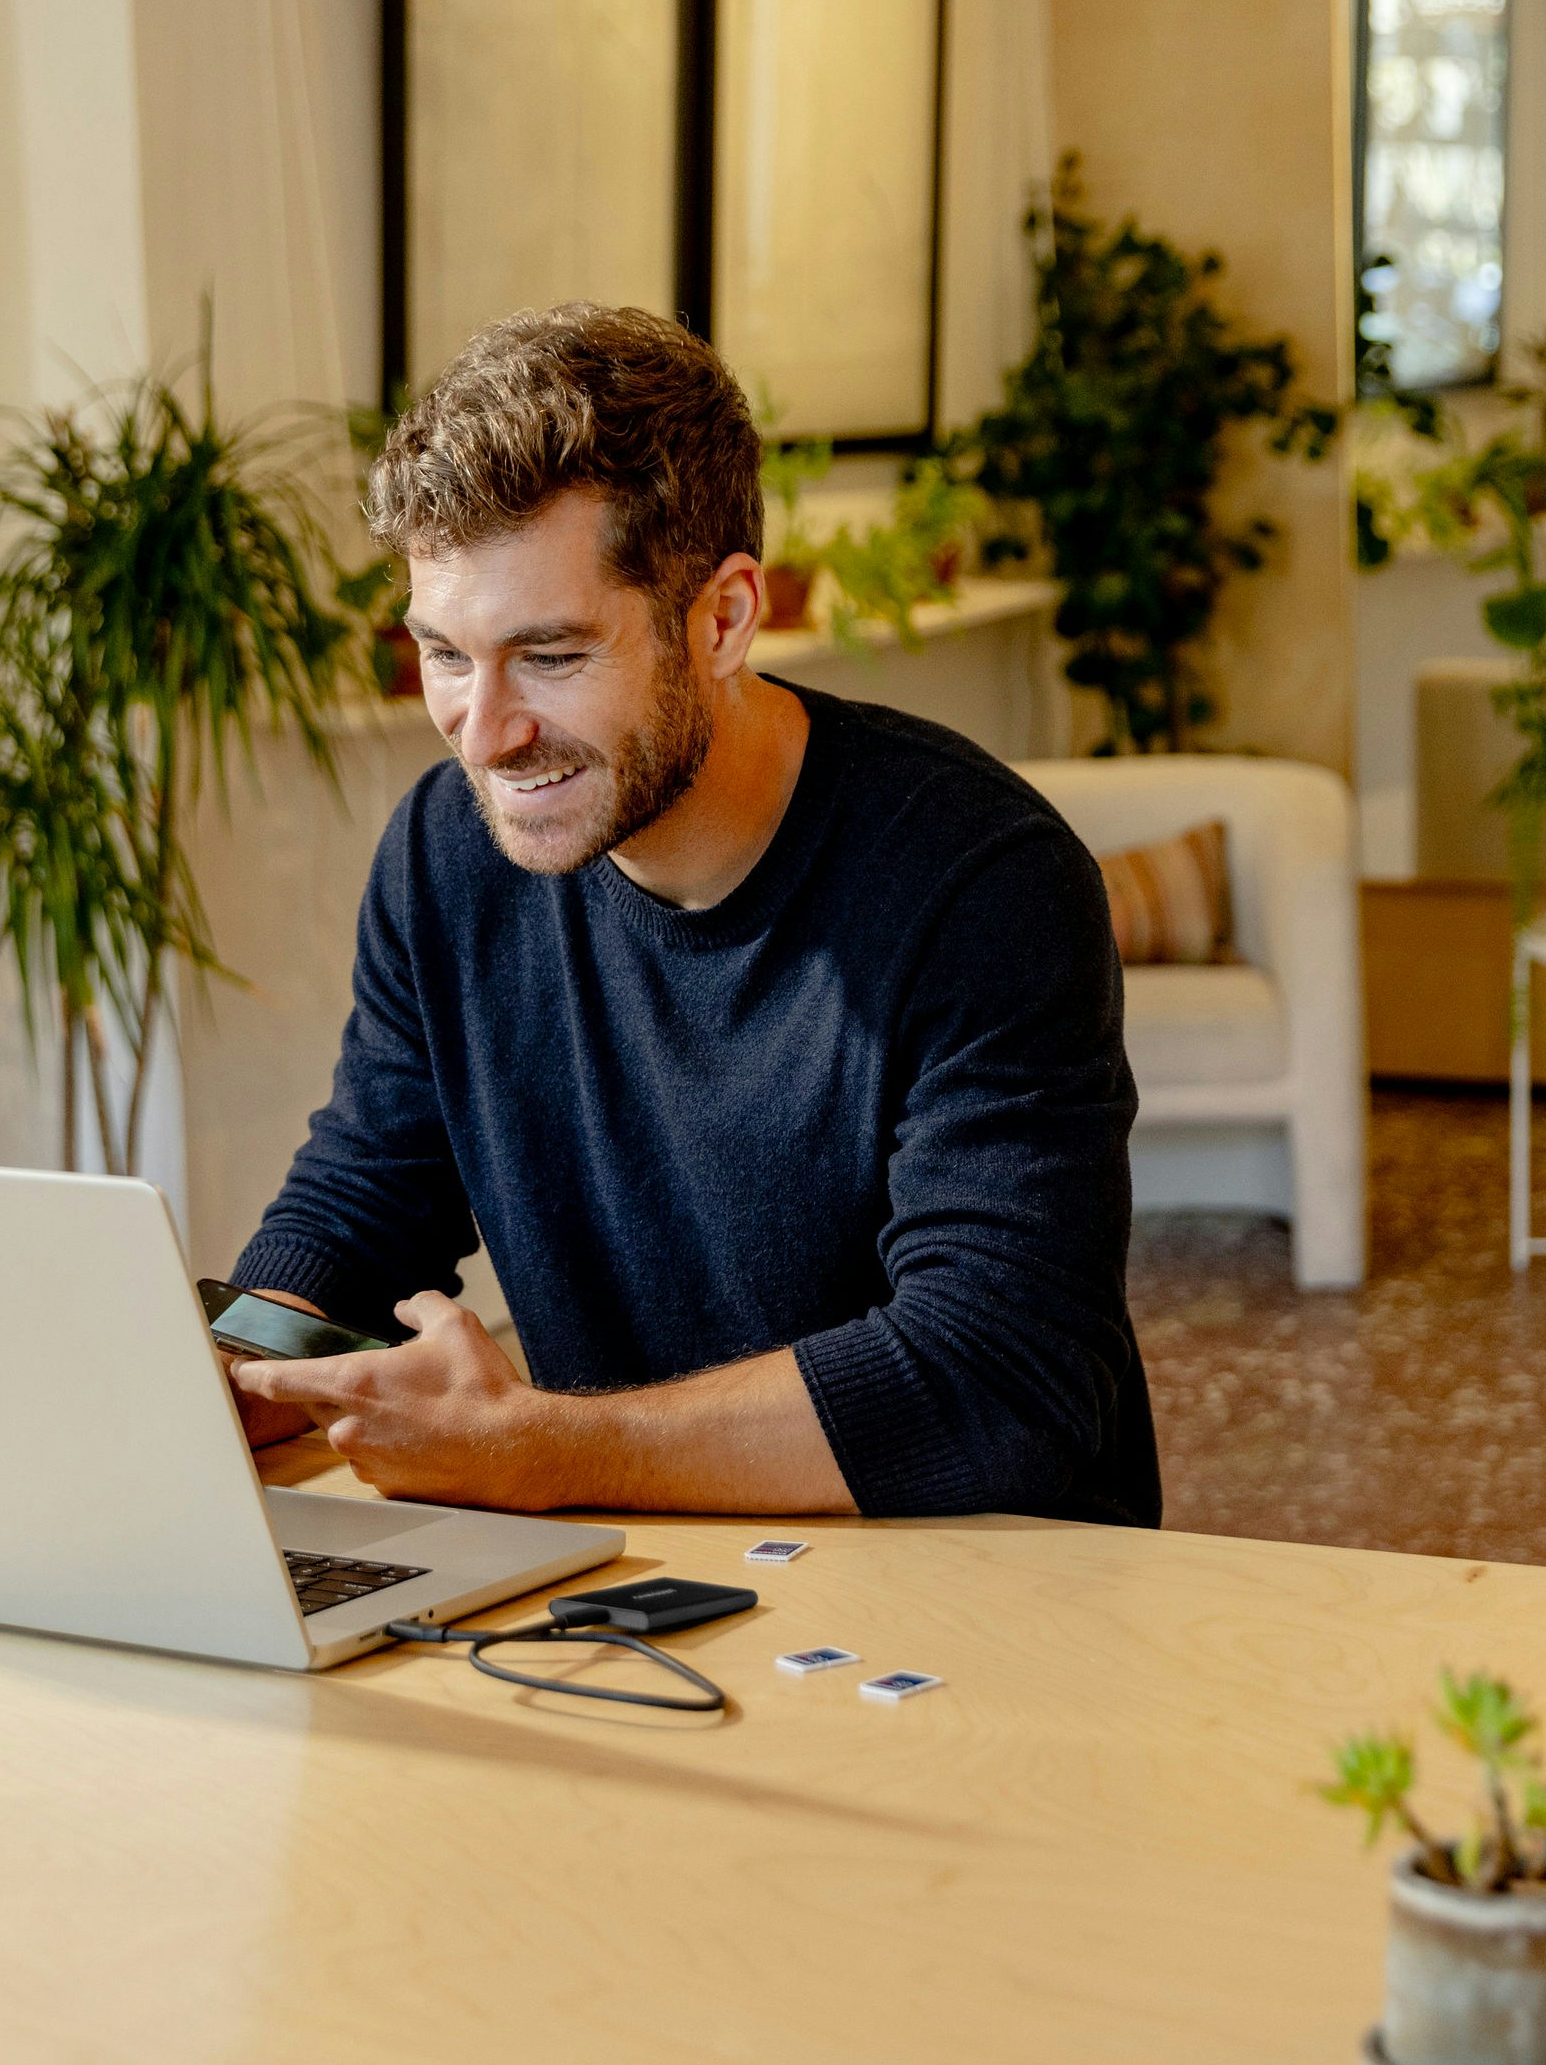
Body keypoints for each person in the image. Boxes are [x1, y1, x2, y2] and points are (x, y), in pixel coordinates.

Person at [222, 303, 1156, 1527]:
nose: (485, 733)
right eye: (445, 654)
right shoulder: (447, 855)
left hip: (976, 1582)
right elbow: (366, 1203)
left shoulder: (981, 882)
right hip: (649, 1566)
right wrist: (221, 1381)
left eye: (549, 658)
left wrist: (544, 1451)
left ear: (722, 619)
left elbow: (997, 1382)